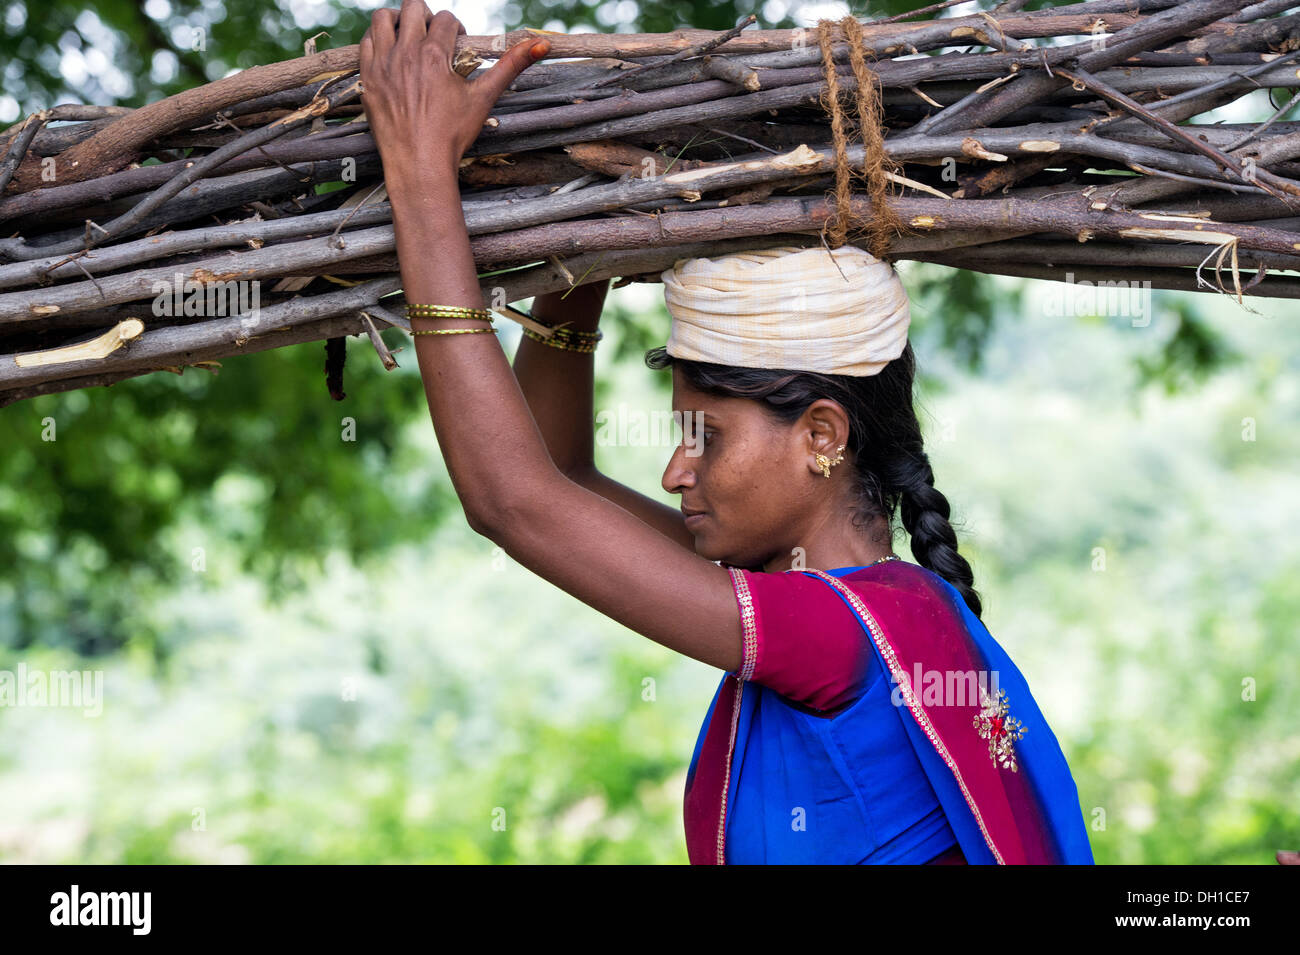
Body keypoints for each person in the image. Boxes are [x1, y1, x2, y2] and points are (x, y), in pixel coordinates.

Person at [360, 3, 1095, 864]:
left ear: (822, 434)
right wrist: (585, 247)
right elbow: (554, 469)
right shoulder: (867, 614)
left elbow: (512, 501)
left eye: (703, 435)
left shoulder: (834, 631)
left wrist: (419, 178)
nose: (676, 470)